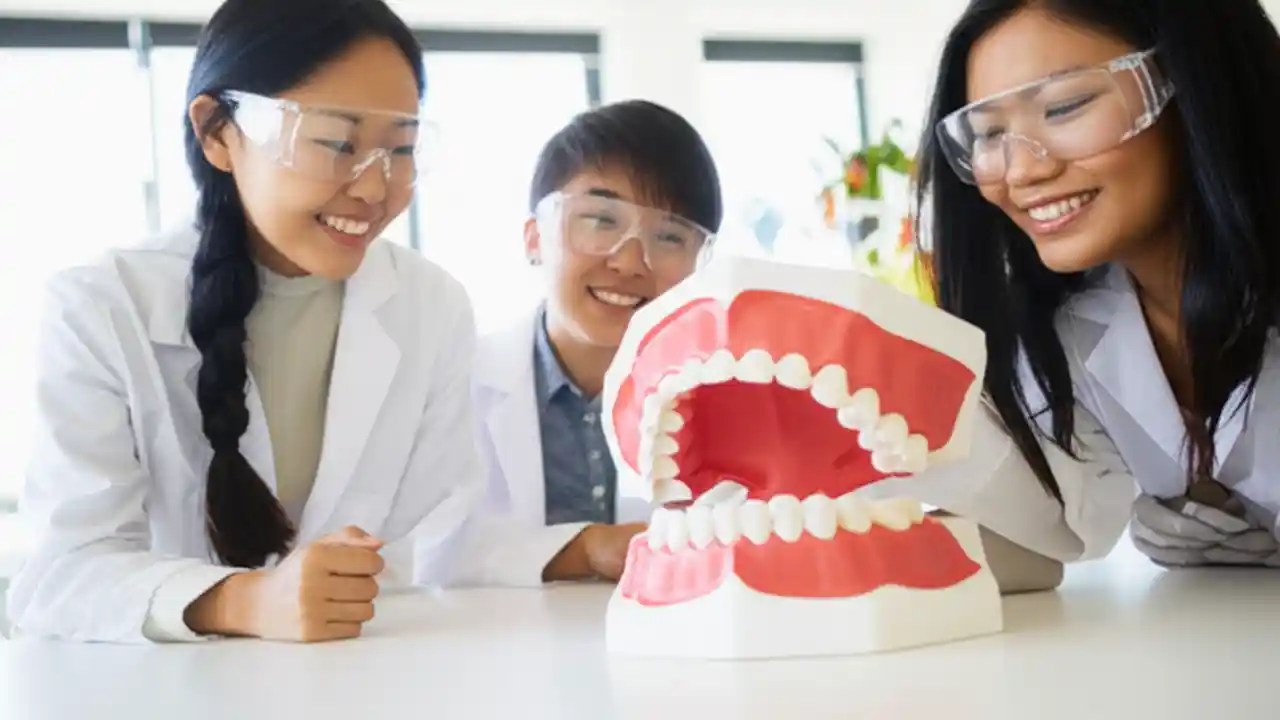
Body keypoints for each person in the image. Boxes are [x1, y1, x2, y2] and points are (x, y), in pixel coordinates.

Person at [6, 0, 483, 643]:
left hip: (363, 677)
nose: (375, 188)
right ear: (218, 132)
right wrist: (244, 602)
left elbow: (438, 542)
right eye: (336, 143)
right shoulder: (102, 305)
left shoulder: (432, 306)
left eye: (400, 149)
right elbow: (58, 578)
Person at [897, 0, 1280, 579]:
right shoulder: (1068, 331)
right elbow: (1041, 529)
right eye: (989, 133)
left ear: (1195, 83)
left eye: (1065, 106)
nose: (1021, 171)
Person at [421, 101, 724, 586]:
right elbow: (422, 557)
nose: (629, 262)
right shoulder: (454, 382)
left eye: (669, 236)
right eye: (601, 220)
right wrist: (584, 551)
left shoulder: (726, 395)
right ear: (534, 238)